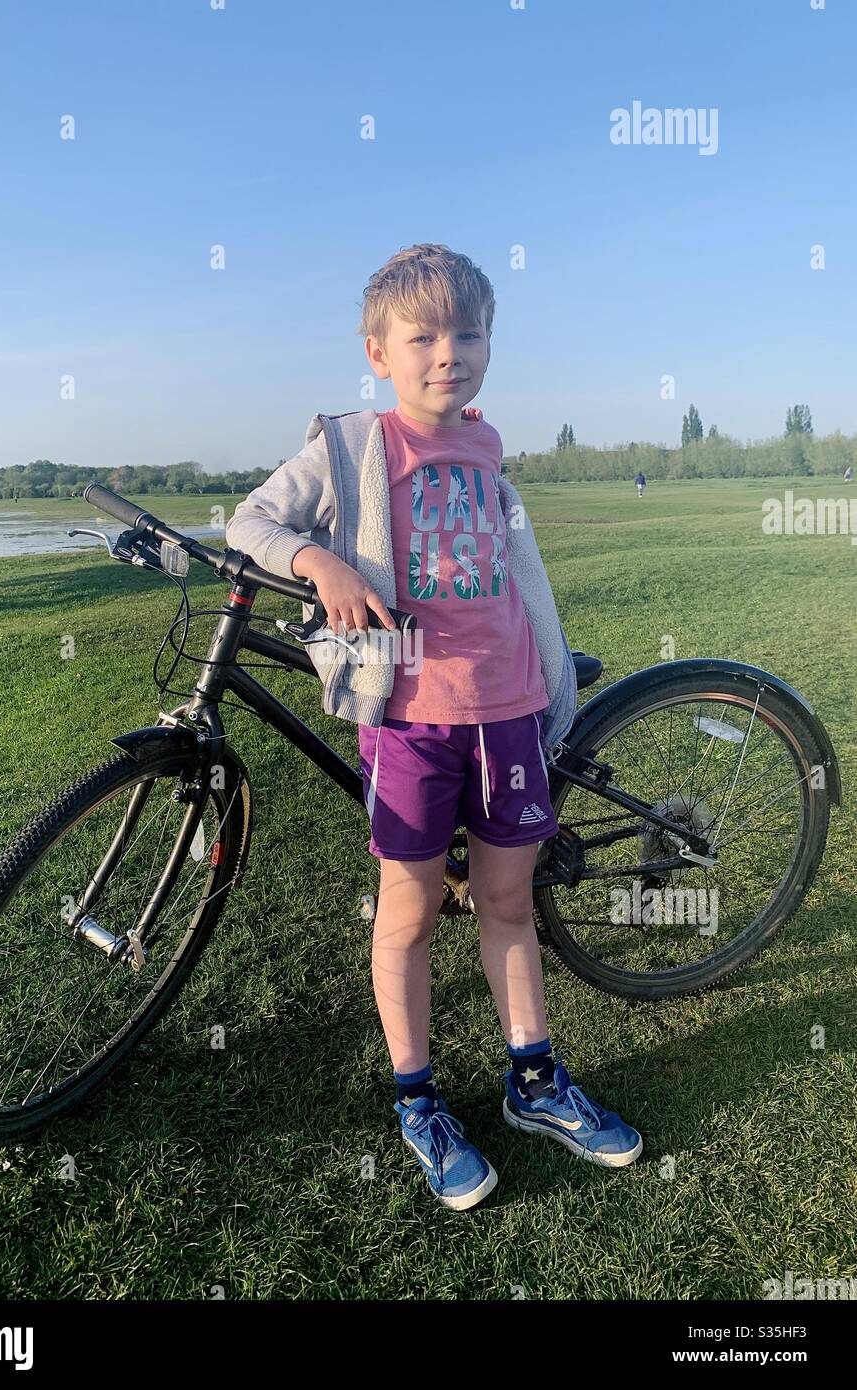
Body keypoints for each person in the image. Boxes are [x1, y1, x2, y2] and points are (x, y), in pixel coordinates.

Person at [226, 244, 642, 1210]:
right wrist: (320, 568)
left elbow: (515, 577)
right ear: (379, 351)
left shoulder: (488, 446)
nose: (447, 352)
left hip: (505, 712)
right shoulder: (351, 444)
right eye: (423, 336)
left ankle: (534, 1083)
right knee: (407, 914)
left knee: (506, 902)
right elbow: (251, 523)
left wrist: (546, 675)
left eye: (469, 332)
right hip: (412, 720)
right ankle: (416, 1101)